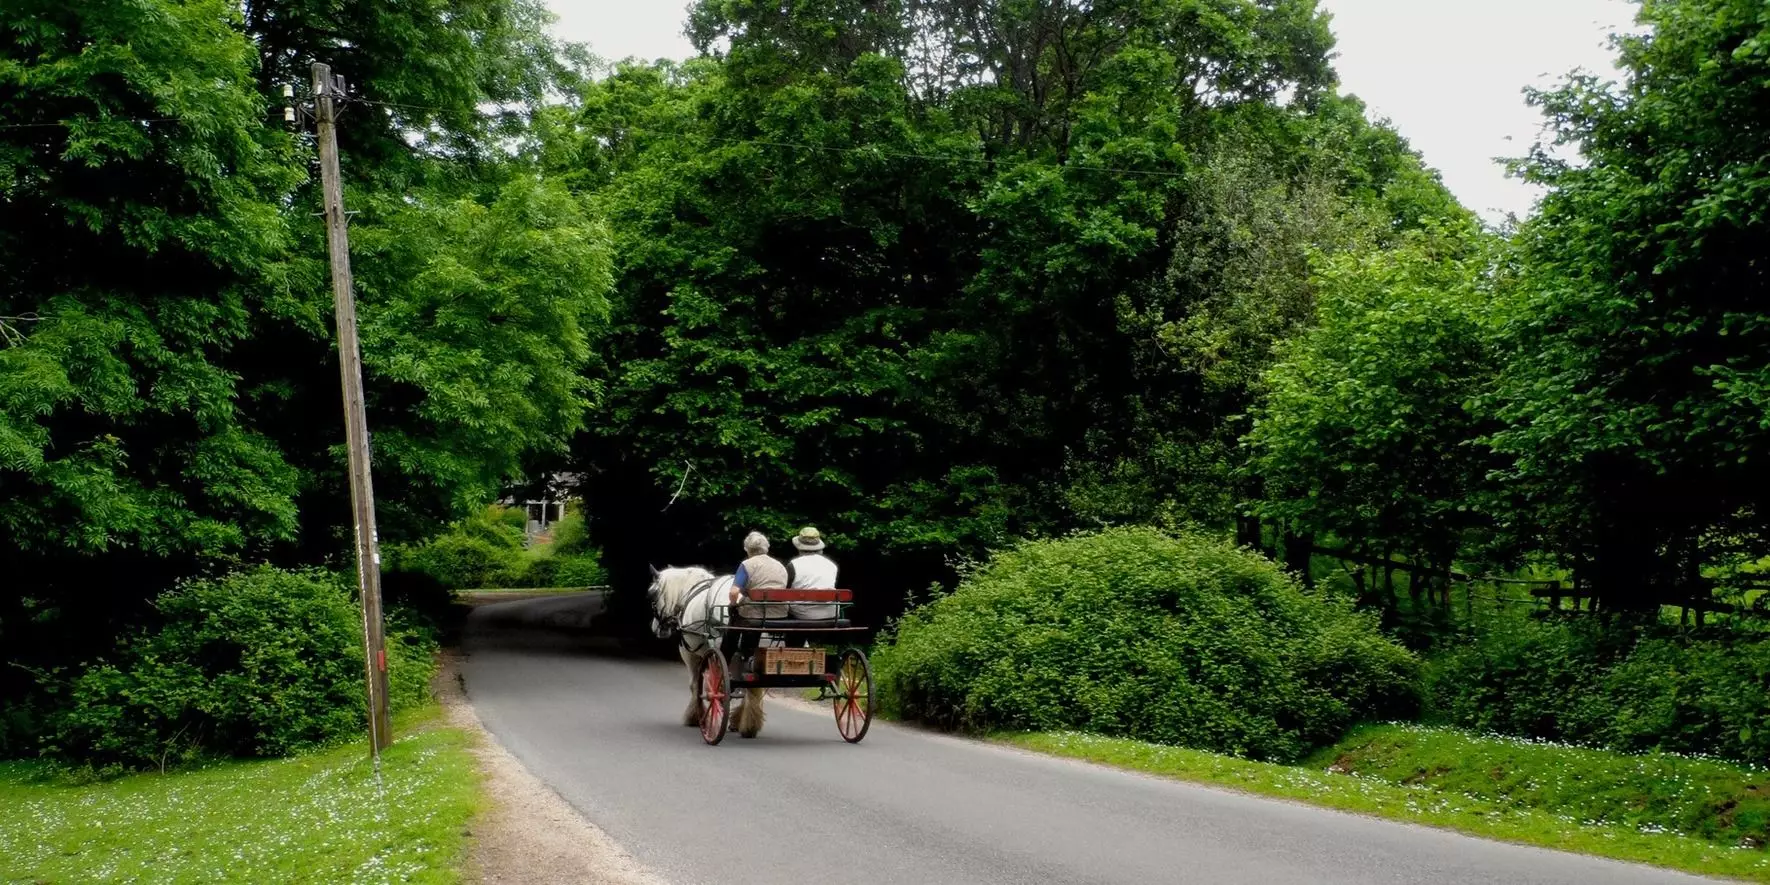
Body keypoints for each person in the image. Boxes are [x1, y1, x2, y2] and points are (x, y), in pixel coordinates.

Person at [785, 526, 839, 620]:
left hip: (802, 613)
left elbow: (785, 590)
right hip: (830, 612)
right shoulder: (831, 565)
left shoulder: (793, 565)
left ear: (799, 547)